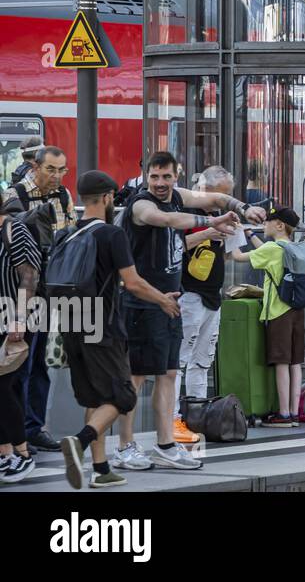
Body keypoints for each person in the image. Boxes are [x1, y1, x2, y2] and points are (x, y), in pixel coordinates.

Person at [113, 151, 253, 471]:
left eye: (166, 177)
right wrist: (210, 220)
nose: (160, 183)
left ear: (176, 176)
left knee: (169, 373)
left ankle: (165, 444)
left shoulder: (178, 196)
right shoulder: (141, 203)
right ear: (146, 177)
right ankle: (124, 446)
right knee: (134, 378)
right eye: (154, 177)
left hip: (170, 302)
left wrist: (243, 208)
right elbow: (165, 220)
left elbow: (212, 200)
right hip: (142, 304)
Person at [58, 171, 185, 490]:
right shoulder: (111, 234)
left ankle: (101, 469)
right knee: (123, 395)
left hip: (72, 324)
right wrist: (162, 301)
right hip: (103, 325)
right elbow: (133, 282)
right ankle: (80, 440)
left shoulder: (68, 232)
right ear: (106, 198)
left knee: (94, 396)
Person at [1, 144, 74, 452]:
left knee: (39, 362)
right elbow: (15, 229)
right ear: (35, 168)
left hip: (49, 288)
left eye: (61, 170)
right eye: (50, 170)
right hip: (19, 292)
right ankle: (17, 436)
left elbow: (68, 233)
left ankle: (34, 427)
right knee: (16, 366)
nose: (56, 177)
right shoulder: (16, 192)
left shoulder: (64, 196)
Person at [228, 206, 305, 427]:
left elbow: (238, 256)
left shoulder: (272, 248)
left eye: (268, 222)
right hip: (297, 311)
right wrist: (250, 234)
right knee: (295, 362)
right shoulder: (294, 247)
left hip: (277, 312)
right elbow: (265, 250)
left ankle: (282, 413)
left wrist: (235, 233)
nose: (264, 226)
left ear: (279, 225)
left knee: (281, 362)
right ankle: (293, 412)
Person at [174, 166, 235, 446]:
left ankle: (196, 414)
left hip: (213, 293)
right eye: (221, 197)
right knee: (180, 360)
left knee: (203, 360)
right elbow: (176, 246)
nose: (224, 202)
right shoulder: (187, 214)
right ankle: (174, 417)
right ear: (205, 191)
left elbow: (231, 253)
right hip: (189, 293)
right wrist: (208, 232)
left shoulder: (217, 215)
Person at [0, 212, 40, 482]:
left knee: (3, 388)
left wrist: (19, 318)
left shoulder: (14, 229)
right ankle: (5, 453)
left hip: (12, 322)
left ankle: (22, 454)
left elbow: (30, 277)